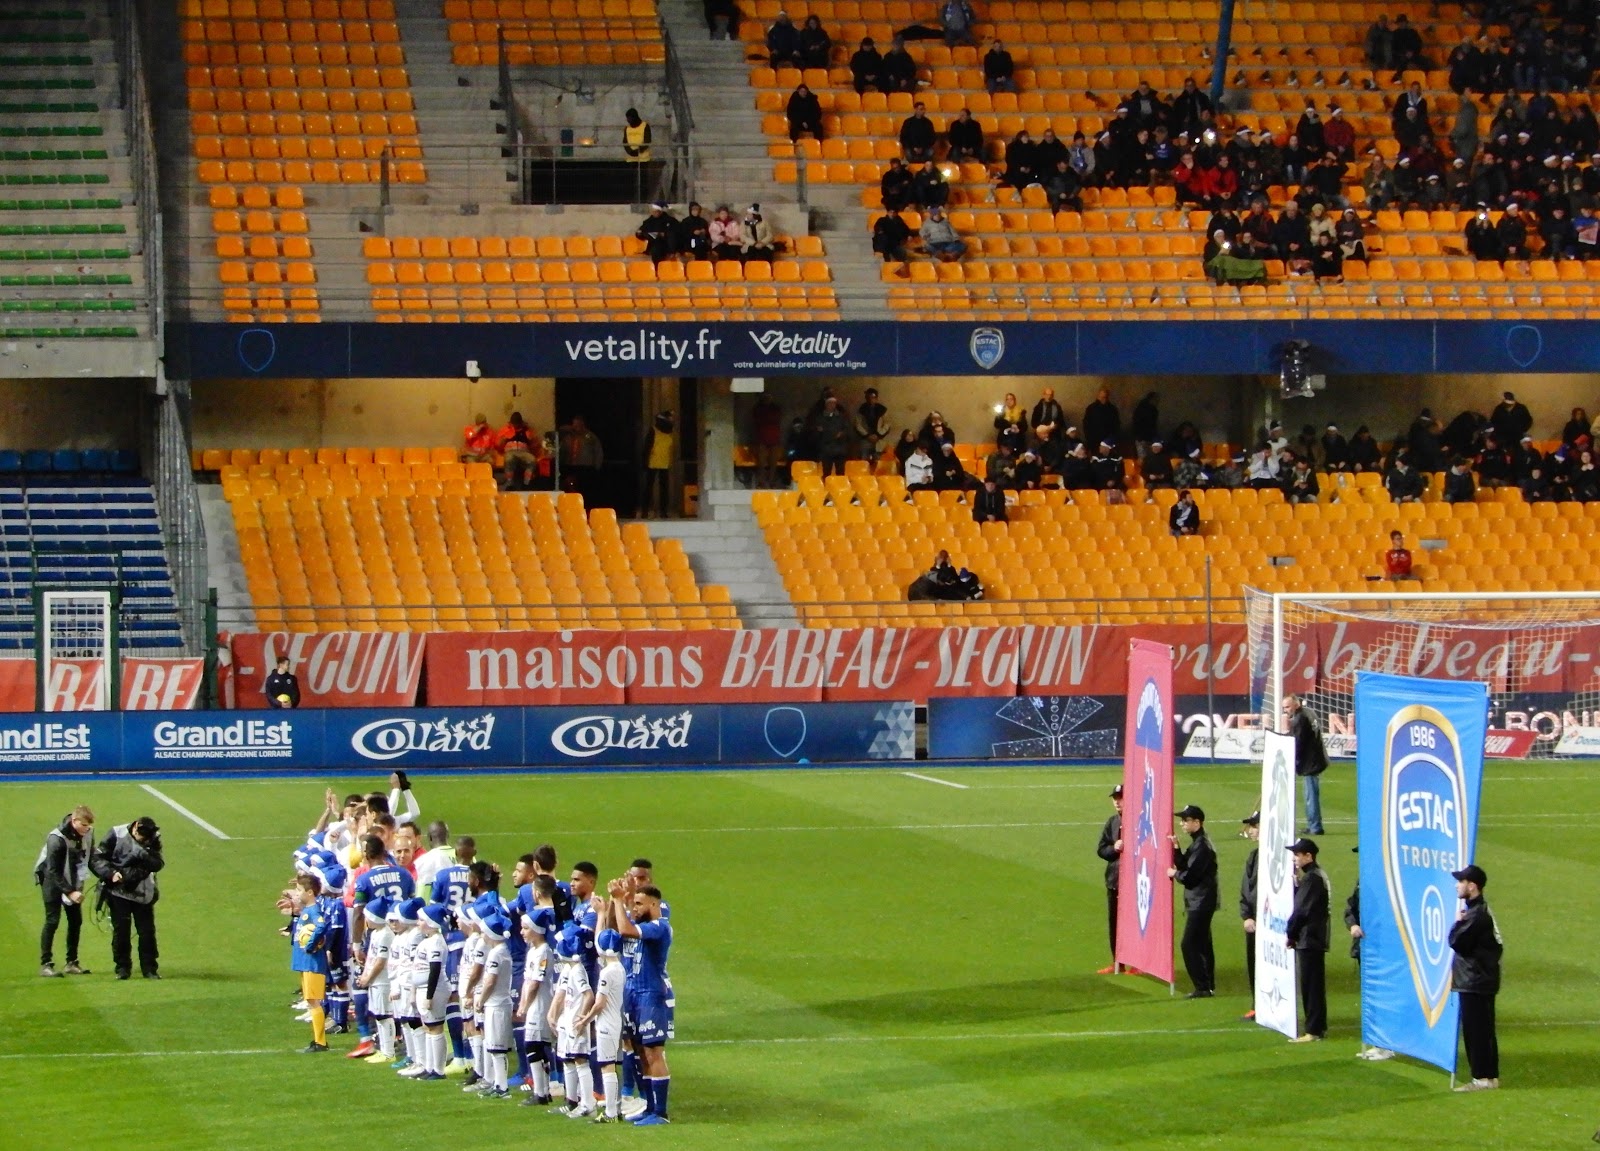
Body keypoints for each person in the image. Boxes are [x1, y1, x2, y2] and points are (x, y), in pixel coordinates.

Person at [607, 877, 674, 1125]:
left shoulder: (659, 927)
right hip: (633, 993)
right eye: (633, 904)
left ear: (654, 905)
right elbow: (614, 927)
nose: (634, 908)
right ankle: (649, 1106)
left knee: (653, 1051)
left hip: (651, 995)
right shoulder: (637, 922)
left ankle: (661, 1112)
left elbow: (626, 930)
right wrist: (618, 902)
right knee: (639, 1052)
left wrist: (618, 900)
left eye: (638, 904)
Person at [90, 815, 164, 980]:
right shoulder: (116, 834)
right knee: (121, 931)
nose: (144, 841)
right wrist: (111, 873)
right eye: (141, 838)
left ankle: (150, 968)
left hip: (143, 892)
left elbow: (157, 864)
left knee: (147, 932)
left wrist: (138, 862)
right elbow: (97, 859)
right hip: (118, 893)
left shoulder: (153, 839)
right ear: (135, 827)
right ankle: (122, 967)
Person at [1449, 863, 1502, 1091]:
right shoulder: (1481, 911)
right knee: (1484, 1030)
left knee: (1475, 1031)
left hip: (1474, 980)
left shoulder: (1475, 915)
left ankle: (1481, 1078)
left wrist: (1458, 922)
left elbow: (1455, 941)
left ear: (1472, 886)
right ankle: (1489, 1077)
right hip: (1482, 979)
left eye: (1461, 882)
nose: (1456, 885)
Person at [36, 804, 94, 977]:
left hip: (73, 878)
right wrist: (70, 892)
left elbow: (90, 857)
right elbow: (53, 871)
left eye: (89, 826)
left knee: (75, 921)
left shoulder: (87, 833)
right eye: (84, 825)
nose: (87, 829)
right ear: (75, 821)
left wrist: (109, 875)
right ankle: (46, 963)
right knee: (52, 920)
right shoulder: (56, 838)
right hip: (51, 881)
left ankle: (72, 962)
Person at [576, 928, 627, 1122]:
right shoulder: (620, 968)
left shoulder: (606, 972)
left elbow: (599, 1003)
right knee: (613, 1065)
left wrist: (584, 1020)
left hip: (606, 1022)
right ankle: (617, 1109)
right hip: (617, 1020)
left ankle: (611, 1113)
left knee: (607, 1066)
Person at [1167, 804, 1218, 998]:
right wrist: (1176, 849)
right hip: (1200, 900)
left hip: (1201, 901)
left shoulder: (1202, 846)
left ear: (1197, 822)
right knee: (1203, 943)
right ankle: (1207, 984)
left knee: (1188, 944)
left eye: (1185, 820)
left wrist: (1175, 874)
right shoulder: (1198, 843)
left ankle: (1202, 986)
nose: (1182, 824)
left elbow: (1190, 876)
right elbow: (1186, 865)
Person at [1284, 837, 1330, 1043]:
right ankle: (1318, 1026)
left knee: (1310, 985)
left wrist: (1291, 934)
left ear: (1308, 856)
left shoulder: (1312, 879)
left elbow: (1301, 911)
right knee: (1314, 984)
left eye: (1297, 854)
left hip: (1309, 938)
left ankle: (1313, 1030)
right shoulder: (1315, 876)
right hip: (1315, 937)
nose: (1295, 858)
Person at [472, 911, 515, 1099]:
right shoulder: (500, 952)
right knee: (492, 1046)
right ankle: (498, 1083)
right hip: (496, 1003)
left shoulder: (496, 954)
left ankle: (502, 1087)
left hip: (497, 1003)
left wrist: (480, 1000)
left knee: (497, 1048)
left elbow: (490, 981)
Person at [289, 873, 332, 1052]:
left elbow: (322, 926)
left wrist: (312, 944)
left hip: (312, 962)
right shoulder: (306, 911)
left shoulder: (314, 911)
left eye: (300, 891)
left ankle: (320, 1042)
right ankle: (317, 1039)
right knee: (310, 1000)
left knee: (314, 1001)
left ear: (310, 893)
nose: (297, 894)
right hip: (305, 962)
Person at [1284, 694, 1327, 835]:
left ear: (1296, 704)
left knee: (1310, 795)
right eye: (1284, 707)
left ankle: (1315, 826)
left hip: (1311, 761)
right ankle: (1313, 824)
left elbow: (1298, 741)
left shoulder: (1300, 718)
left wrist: (1291, 758)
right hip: (1316, 758)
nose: (1286, 710)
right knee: (1311, 794)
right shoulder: (1308, 712)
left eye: (1288, 706)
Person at [1096, 785, 1124, 974]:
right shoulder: (1112, 822)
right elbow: (1101, 849)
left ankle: (1137, 963)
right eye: (1115, 798)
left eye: (1120, 798)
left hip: (1135, 884)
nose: (1116, 801)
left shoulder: (1140, 822)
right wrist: (1115, 848)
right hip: (1114, 882)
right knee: (1114, 923)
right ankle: (1118, 962)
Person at [1238, 810, 1260, 1018]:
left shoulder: (1280, 857)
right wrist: (1246, 915)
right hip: (1253, 921)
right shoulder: (1254, 856)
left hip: (1271, 921)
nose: (1251, 831)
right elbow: (1246, 889)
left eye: (1254, 826)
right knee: (1253, 963)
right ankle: (1257, 1004)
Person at [637, 409, 676, 519]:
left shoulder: (670, 432)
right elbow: (647, 447)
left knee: (664, 489)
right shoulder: (653, 430)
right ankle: (645, 511)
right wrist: (645, 462)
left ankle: (663, 511)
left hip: (664, 463)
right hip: (652, 463)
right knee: (649, 488)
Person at [496, 411, 539, 490]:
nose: (515, 426)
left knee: (532, 460)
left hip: (524, 452)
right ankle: (509, 484)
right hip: (510, 452)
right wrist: (504, 438)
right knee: (509, 460)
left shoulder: (527, 430)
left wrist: (531, 438)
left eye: (517, 424)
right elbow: (498, 444)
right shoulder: (505, 430)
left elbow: (534, 444)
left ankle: (526, 483)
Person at [855, 388, 888, 462]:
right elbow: (858, 424)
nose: (870, 400)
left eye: (873, 397)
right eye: (868, 397)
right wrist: (867, 435)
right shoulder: (862, 409)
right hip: (866, 439)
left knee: (878, 462)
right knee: (864, 461)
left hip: (878, 439)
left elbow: (887, 424)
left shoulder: (882, 409)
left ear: (876, 398)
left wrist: (878, 435)